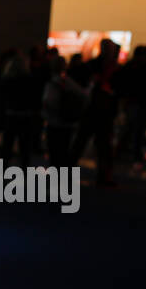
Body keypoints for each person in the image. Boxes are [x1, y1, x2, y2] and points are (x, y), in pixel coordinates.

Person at [69, 38, 120, 187]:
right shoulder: (100, 67)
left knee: (94, 145)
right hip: (96, 110)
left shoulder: (100, 67)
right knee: (89, 144)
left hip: (99, 111)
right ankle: (102, 176)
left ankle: (103, 176)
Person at [42, 55, 88, 167]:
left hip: (54, 121)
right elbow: (84, 95)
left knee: (55, 153)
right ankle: (62, 178)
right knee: (63, 151)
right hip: (67, 122)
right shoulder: (68, 82)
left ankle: (56, 177)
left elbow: (48, 101)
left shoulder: (53, 82)